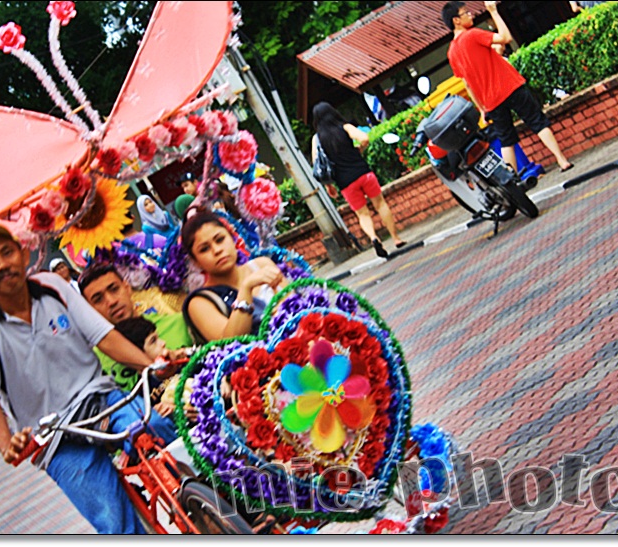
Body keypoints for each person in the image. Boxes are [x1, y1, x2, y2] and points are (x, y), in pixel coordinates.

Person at [0, 223, 178, 534]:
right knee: (114, 522)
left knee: (155, 431)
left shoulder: (52, 287)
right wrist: (8, 445)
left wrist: (151, 366)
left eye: (7, 252)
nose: (2, 264)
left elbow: (104, 337)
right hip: (52, 435)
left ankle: (213, 501)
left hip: (99, 399)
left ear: (23, 255)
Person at [442, 1, 573, 174]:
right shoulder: (472, 35)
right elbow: (506, 37)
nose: (470, 15)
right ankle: (561, 160)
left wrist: (481, 108)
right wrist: (493, 12)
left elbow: (467, 82)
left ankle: (513, 180)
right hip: (509, 86)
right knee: (536, 121)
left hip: (491, 101)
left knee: (506, 140)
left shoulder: (452, 52)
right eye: (465, 13)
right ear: (456, 20)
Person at [79, 262, 193, 392]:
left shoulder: (178, 323)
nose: (111, 301)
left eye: (114, 289)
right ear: (90, 310)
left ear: (127, 288)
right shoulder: (94, 361)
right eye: (98, 299)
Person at [311, 102, 405, 258]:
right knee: (380, 204)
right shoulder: (344, 127)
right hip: (363, 172)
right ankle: (396, 238)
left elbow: (317, 164)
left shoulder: (317, 139)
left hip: (345, 182)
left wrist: (329, 186)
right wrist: (359, 149)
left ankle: (374, 238)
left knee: (362, 214)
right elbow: (364, 138)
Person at [181, 211, 288, 344]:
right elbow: (231, 343)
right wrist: (246, 289)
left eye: (220, 240)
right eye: (204, 249)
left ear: (232, 238)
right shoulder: (199, 302)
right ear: (195, 261)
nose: (217, 250)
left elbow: (296, 306)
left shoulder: (261, 265)